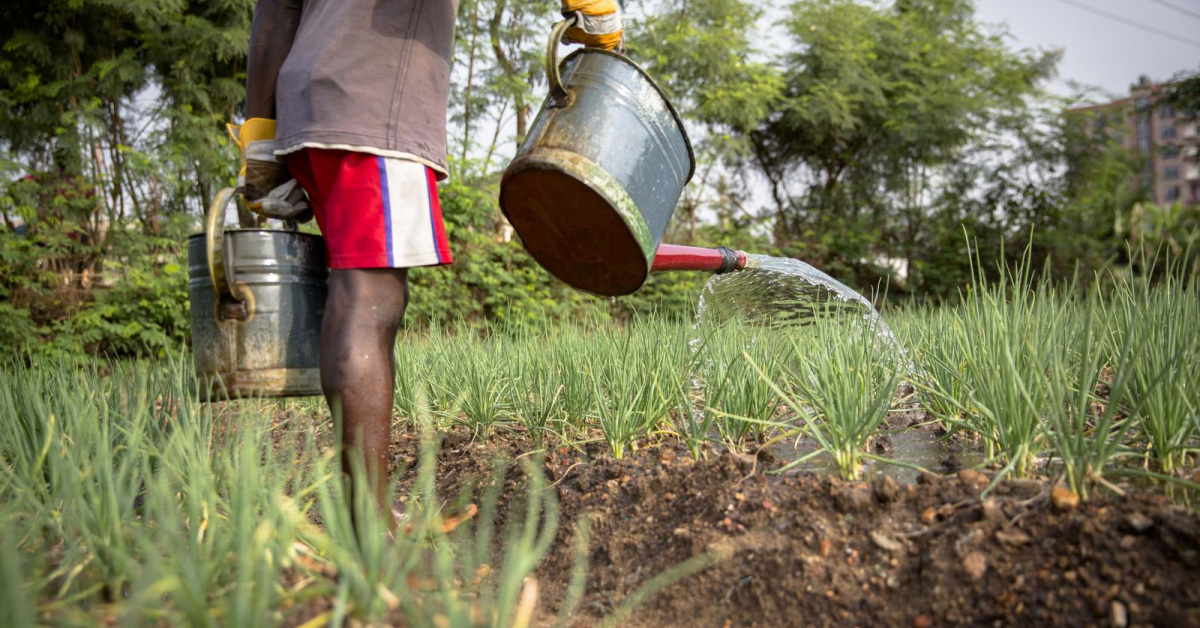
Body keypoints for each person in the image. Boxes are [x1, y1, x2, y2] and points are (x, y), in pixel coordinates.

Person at [231, 0, 623, 531]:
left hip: (307, 103)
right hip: (372, 103)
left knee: (354, 296)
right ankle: (368, 525)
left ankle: (367, 509)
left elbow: (275, 12)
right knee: (370, 303)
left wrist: (260, 136)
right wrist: (593, 9)